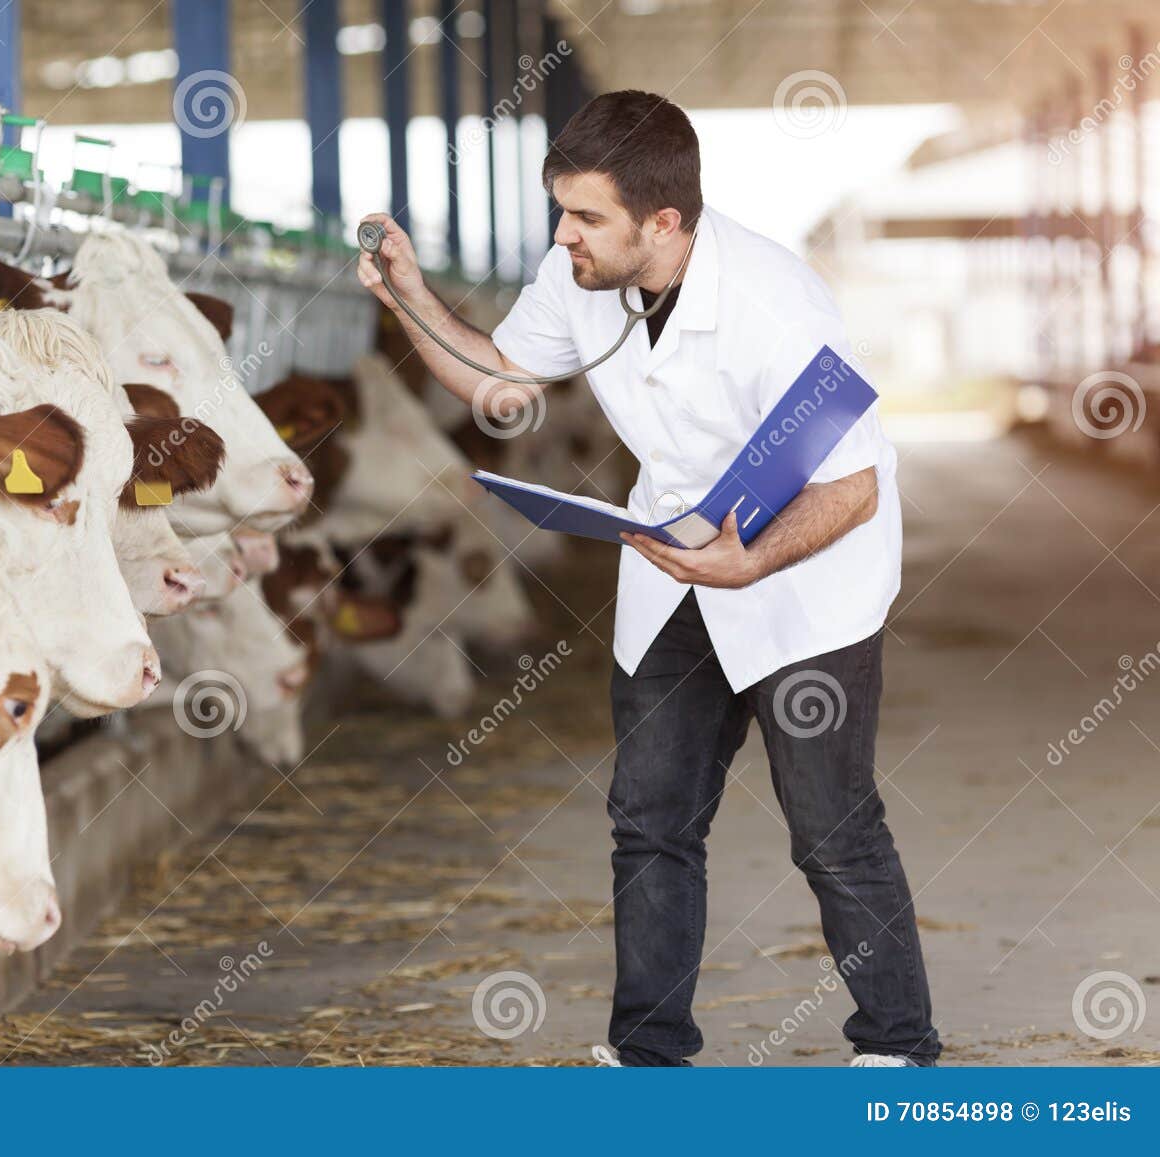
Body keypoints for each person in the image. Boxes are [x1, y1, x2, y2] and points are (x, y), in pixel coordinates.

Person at [357, 90, 939, 1067]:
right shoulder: (578, 273)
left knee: (830, 829)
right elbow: (501, 375)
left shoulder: (774, 303)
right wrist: (408, 297)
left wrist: (748, 559)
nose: (563, 236)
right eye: (561, 212)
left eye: (586, 217)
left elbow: (852, 488)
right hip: (673, 565)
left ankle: (896, 1043)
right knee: (650, 818)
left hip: (805, 589)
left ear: (662, 222)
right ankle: (649, 1050)